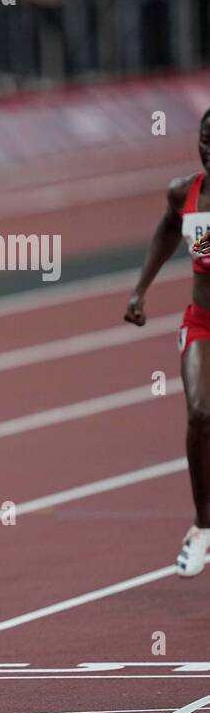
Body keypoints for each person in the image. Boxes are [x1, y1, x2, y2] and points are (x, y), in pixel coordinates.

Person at [126, 108, 210, 577]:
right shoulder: (186, 194)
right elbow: (166, 228)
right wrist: (141, 290)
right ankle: (203, 527)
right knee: (200, 412)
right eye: (204, 141)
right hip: (203, 321)